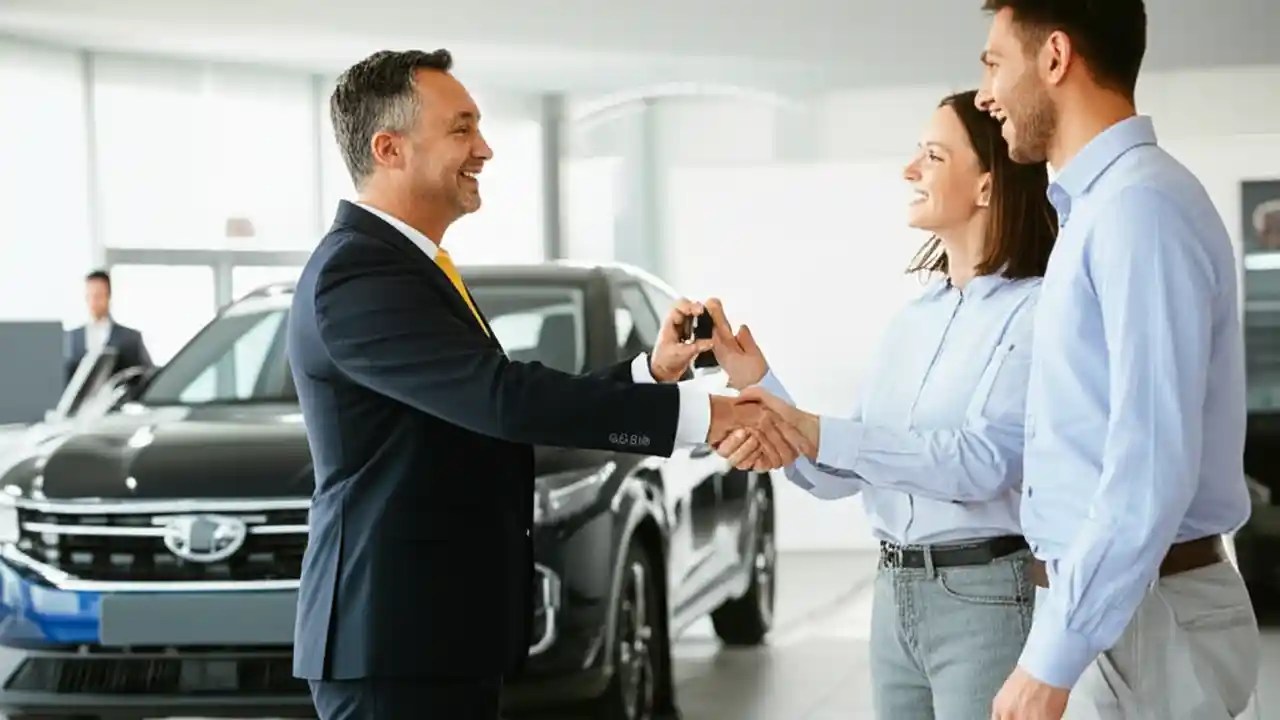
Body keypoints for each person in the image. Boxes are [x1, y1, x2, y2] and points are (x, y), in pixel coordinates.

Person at [286, 49, 791, 720]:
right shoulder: (360, 277)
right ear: (389, 148)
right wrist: (707, 415)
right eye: (462, 128)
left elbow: (498, 411)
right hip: (393, 641)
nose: (485, 148)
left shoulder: (407, 268)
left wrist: (651, 372)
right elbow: (504, 399)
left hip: (432, 636)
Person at [706, 89, 1057, 719]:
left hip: (983, 597)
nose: (909, 170)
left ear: (985, 185)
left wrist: (813, 430)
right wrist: (763, 391)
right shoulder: (911, 322)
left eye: (931, 155)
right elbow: (843, 469)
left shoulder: (1035, 312)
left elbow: (982, 463)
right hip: (893, 592)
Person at [974, 2, 1261, 718]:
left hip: (1146, 613)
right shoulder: (1099, 209)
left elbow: (1152, 463)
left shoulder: (1139, 209)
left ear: (1055, 57)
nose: (985, 94)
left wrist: (1054, 657)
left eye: (994, 63)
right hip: (1116, 605)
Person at [63, 269, 152, 384]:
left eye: (99, 296)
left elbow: (146, 375)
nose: (94, 302)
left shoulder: (130, 338)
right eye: (90, 296)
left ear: (109, 297)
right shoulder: (70, 338)